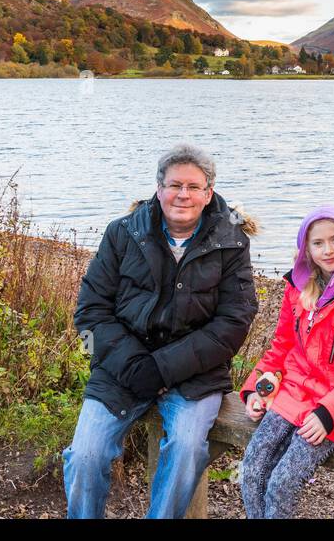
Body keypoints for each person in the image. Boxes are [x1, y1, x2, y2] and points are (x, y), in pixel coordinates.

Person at [62, 143, 258, 518]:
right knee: (86, 455)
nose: (182, 194)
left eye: (193, 186)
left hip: (195, 375)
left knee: (186, 450)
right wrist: (136, 366)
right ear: (158, 188)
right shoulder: (122, 233)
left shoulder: (231, 241)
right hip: (122, 370)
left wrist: (165, 368)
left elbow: (235, 321)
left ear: (208, 193)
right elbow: (90, 311)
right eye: (174, 185)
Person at [237, 206, 334, 518]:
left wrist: (330, 414)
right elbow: (282, 346)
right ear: (306, 248)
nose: (328, 250)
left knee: (282, 483)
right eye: (318, 243)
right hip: (292, 394)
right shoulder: (297, 285)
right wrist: (257, 390)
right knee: (251, 469)